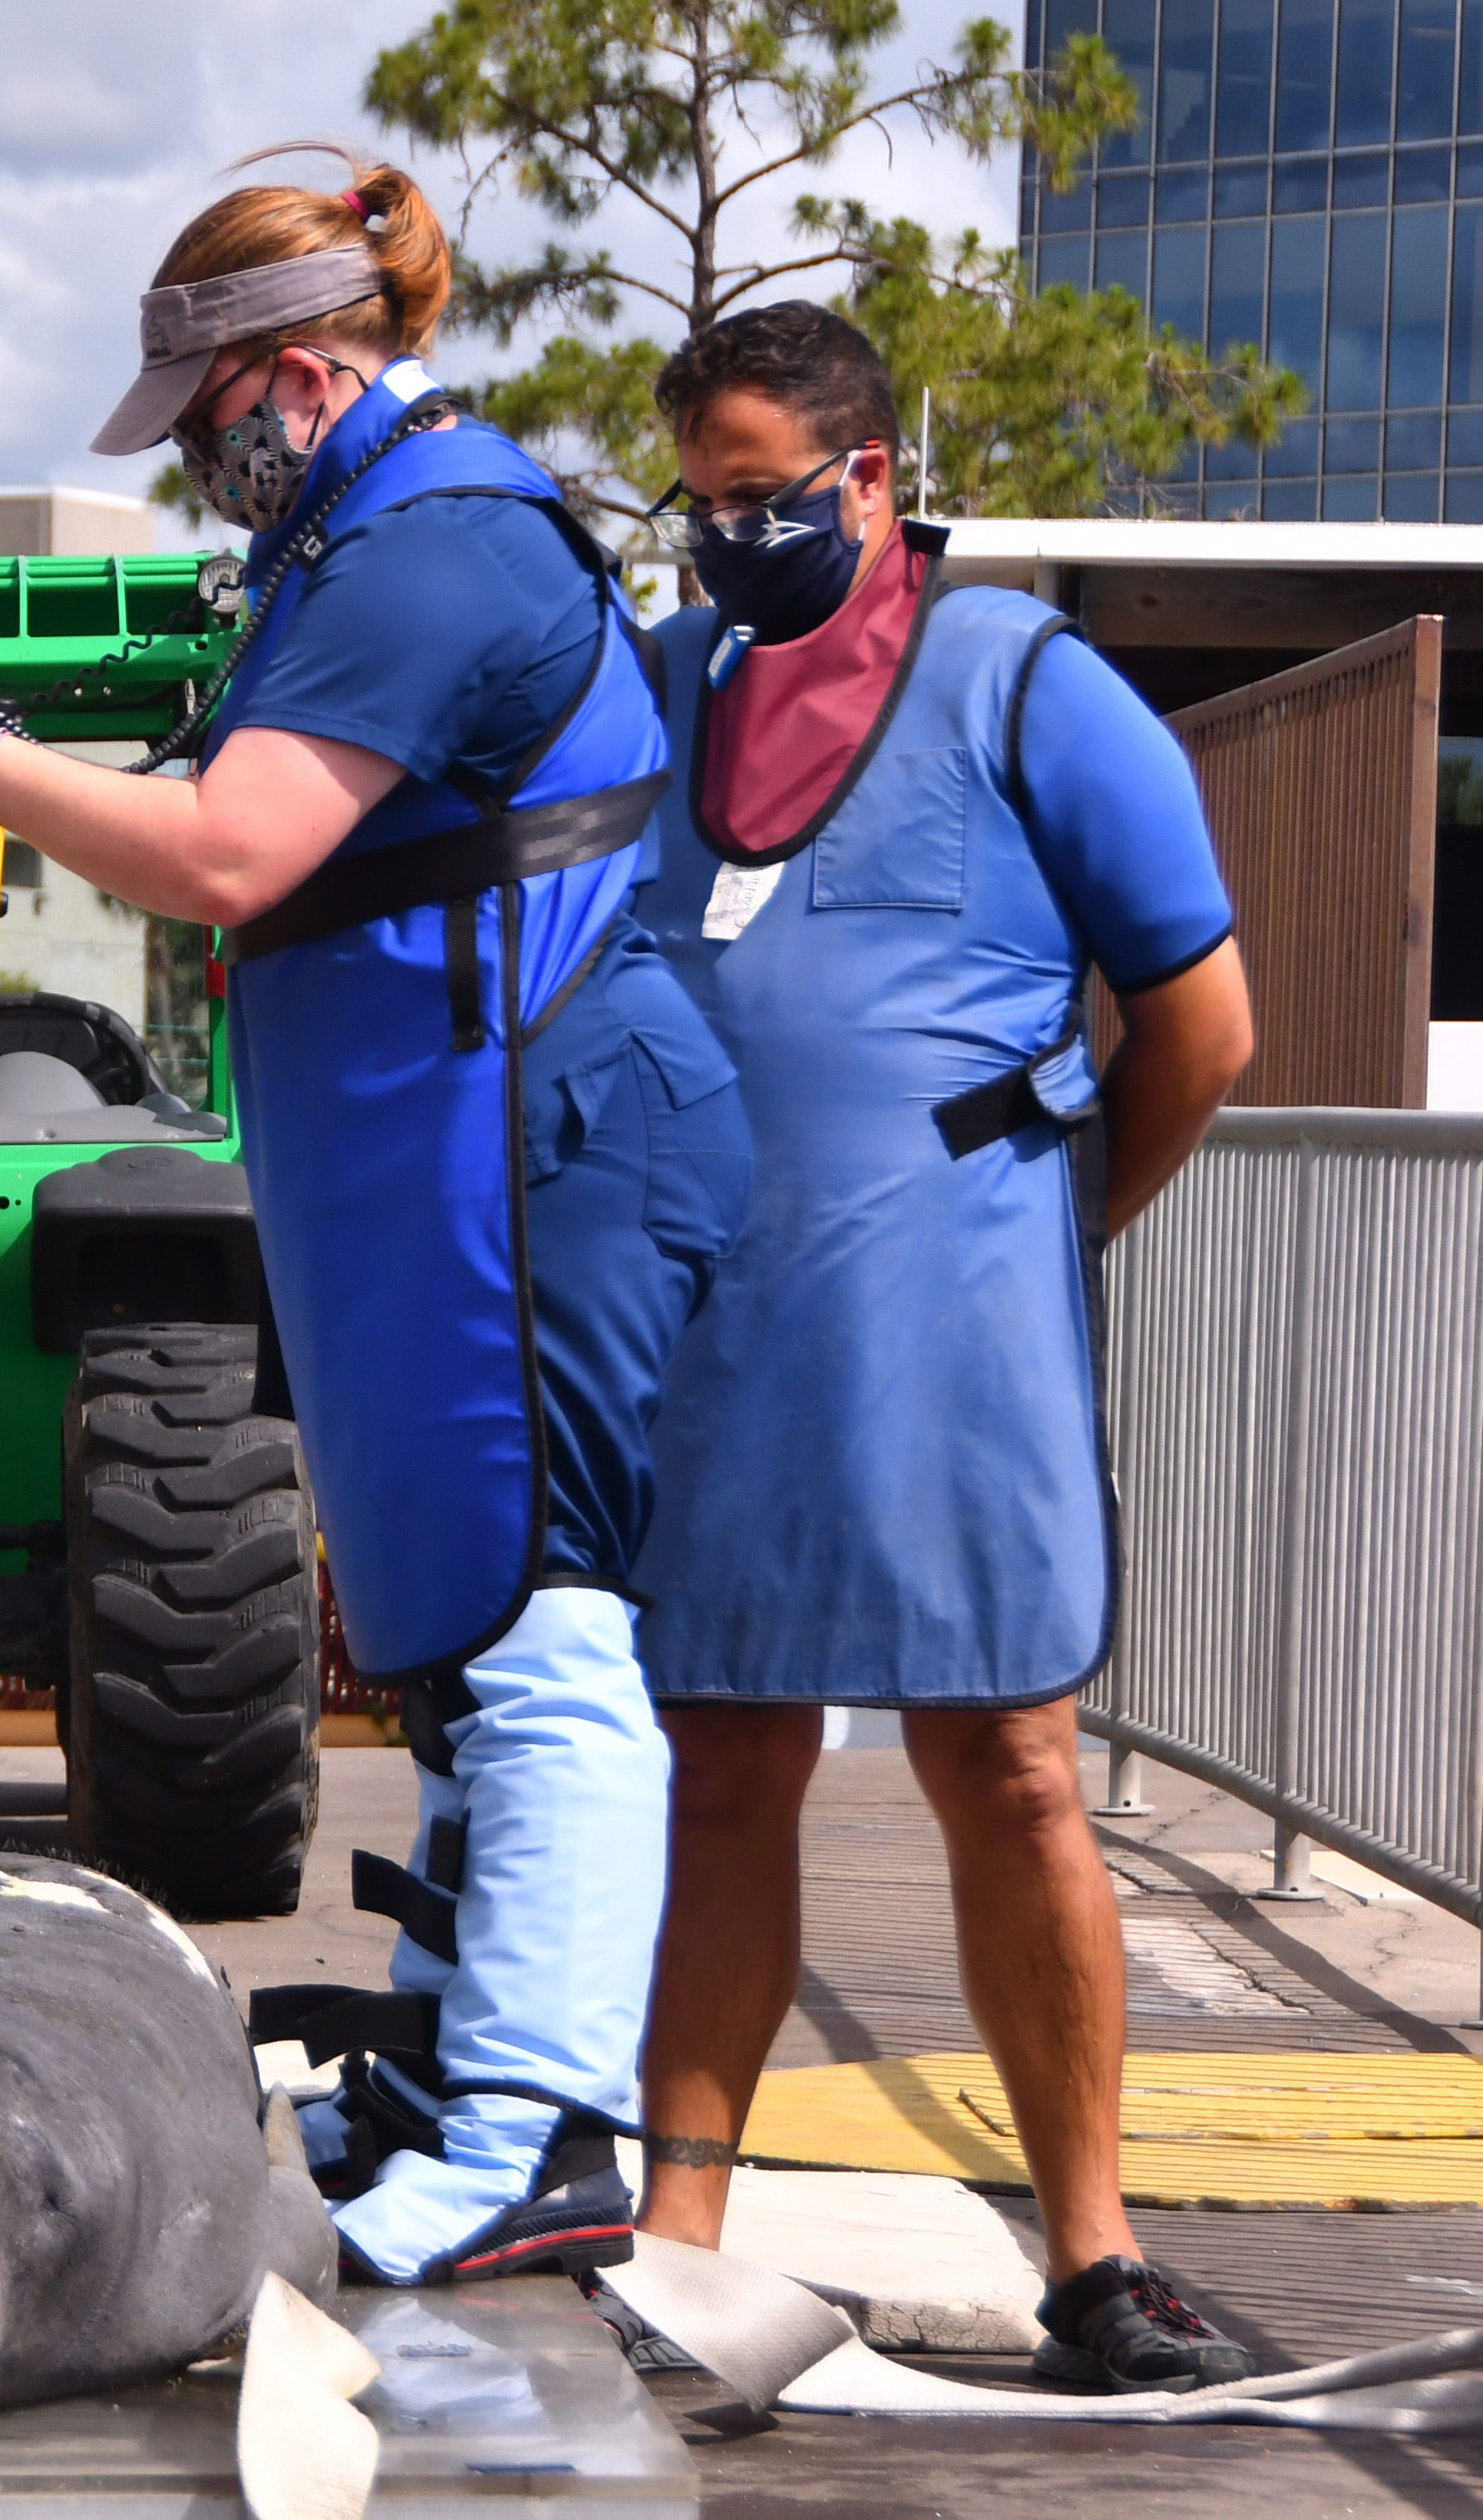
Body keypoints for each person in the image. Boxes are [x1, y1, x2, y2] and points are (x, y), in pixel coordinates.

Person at [0, 152, 751, 2287]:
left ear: (298, 373)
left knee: (541, 1635)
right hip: (440, 1146)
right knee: (462, 1641)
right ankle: (452, 2078)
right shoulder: (365, 541)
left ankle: (540, 2135)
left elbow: (235, 854)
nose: (201, 474)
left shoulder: (432, 548)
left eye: (208, 426)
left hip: (523, 1137)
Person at [626, 301, 1261, 2392]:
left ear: (871, 479)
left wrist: (1053, 1220)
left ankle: (1091, 2263)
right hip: (723, 1325)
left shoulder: (1029, 689)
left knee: (1004, 1766)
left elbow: (1199, 1026)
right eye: (701, 507)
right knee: (724, 1771)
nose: (730, 540)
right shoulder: (669, 687)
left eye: (764, 501)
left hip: (964, 1328)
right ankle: (675, 2245)